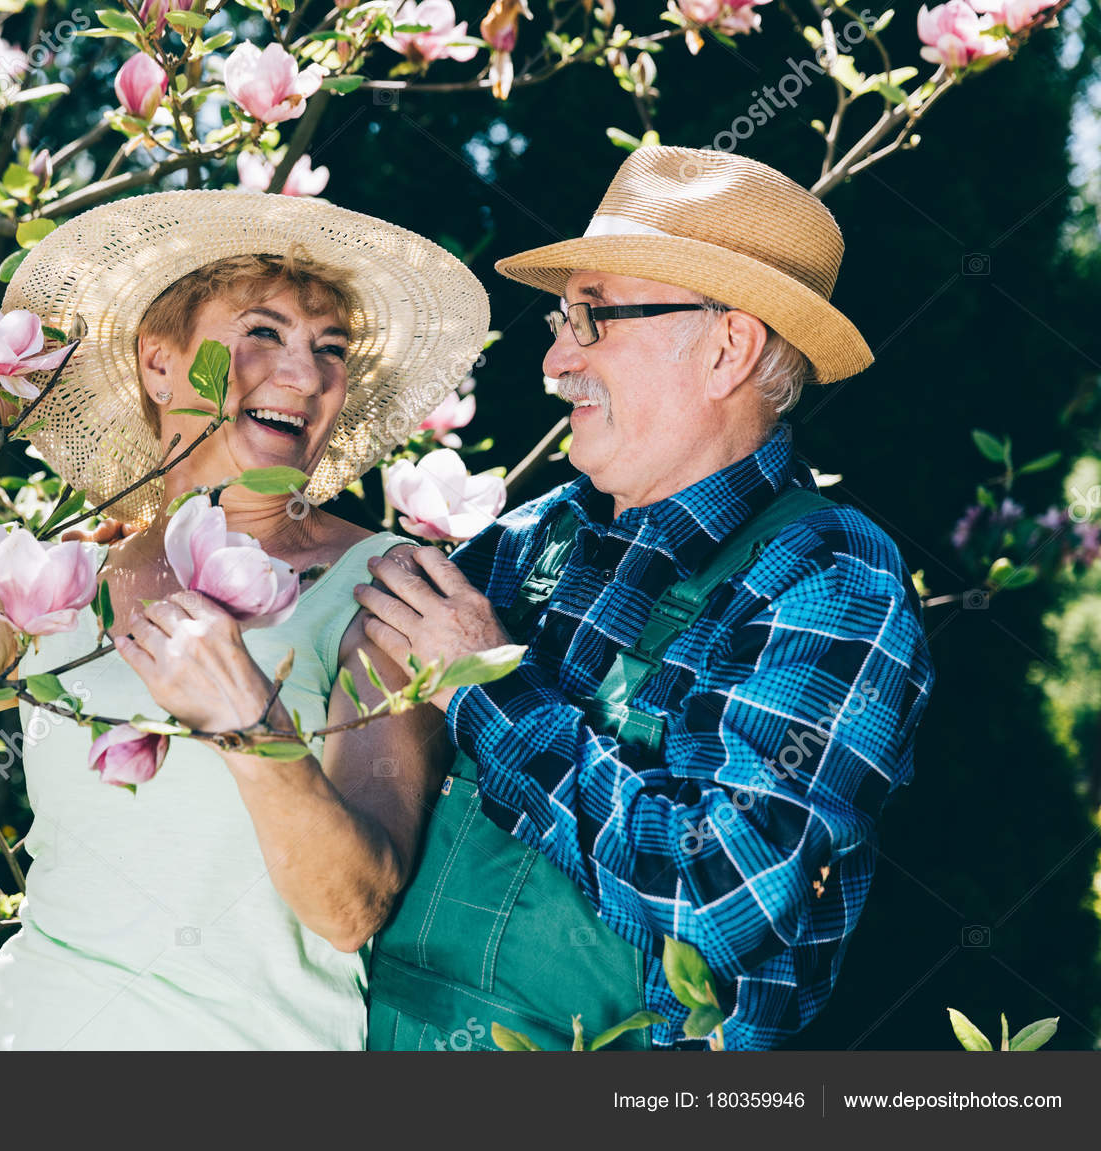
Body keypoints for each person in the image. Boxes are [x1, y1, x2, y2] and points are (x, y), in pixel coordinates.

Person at [0, 190, 489, 1049]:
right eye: (263, 332)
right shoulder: (73, 579)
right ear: (158, 363)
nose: (307, 372)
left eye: (330, 349)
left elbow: (349, 906)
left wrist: (250, 724)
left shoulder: (385, 587)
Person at [354, 146, 936, 1051]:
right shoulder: (534, 538)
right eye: (559, 319)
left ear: (726, 348)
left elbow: (723, 892)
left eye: (591, 317)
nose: (553, 359)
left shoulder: (832, 582)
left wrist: (481, 687)